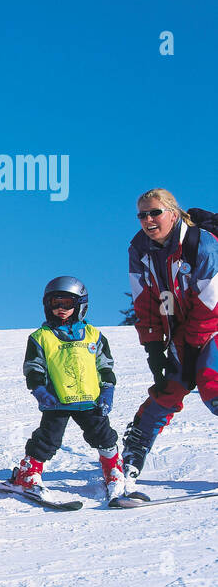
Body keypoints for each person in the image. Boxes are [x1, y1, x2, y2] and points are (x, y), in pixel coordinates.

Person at [121, 189, 218, 490]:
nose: (148, 220)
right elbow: (145, 301)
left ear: (173, 213)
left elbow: (209, 304)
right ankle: (134, 453)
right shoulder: (140, 249)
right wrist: (152, 344)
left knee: (211, 382)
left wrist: (189, 350)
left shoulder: (201, 245)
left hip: (213, 324)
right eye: (142, 215)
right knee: (169, 388)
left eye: (155, 213)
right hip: (182, 329)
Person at [0, 276, 126, 500]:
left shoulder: (94, 336)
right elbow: (33, 368)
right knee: (47, 439)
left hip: (90, 399)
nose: (61, 309)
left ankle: (113, 468)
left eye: (67, 304)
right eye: (55, 304)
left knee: (103, 436)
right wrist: (39, 390)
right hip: (56, 399)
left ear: (80, 306)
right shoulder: (41, 337)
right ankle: (28, 473)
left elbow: (105, 366)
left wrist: (108, 390)